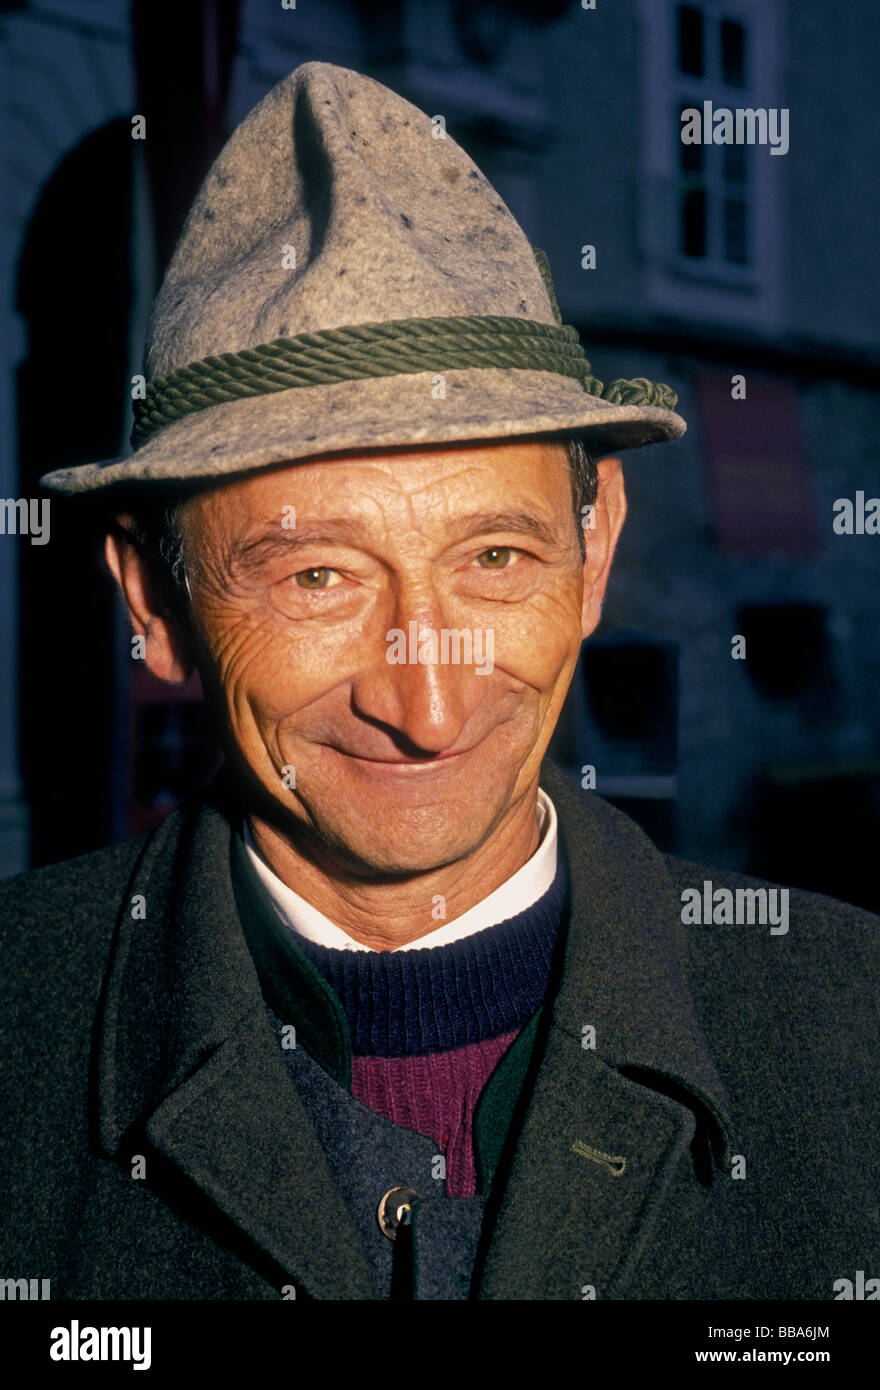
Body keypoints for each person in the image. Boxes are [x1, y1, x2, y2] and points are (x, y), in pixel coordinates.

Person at [1, 61, 877, 1303]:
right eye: (316, 578)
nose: (426, 705)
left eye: (495, 557)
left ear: (595, 551)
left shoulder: (857, 1034)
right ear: (155, 605)